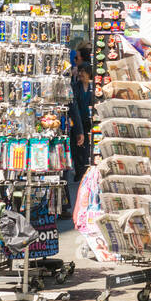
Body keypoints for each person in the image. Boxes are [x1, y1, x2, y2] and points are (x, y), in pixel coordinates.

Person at [65, 63, 94, 219]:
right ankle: (80, 170)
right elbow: (74, 105)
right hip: (79, 121)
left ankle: (85, 169)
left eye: (84, 72)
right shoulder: (75, 87)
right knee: (78, 148)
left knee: (88, 147)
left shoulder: (94, 87)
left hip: (90, 121)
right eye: (80, 72)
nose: (81, 74)